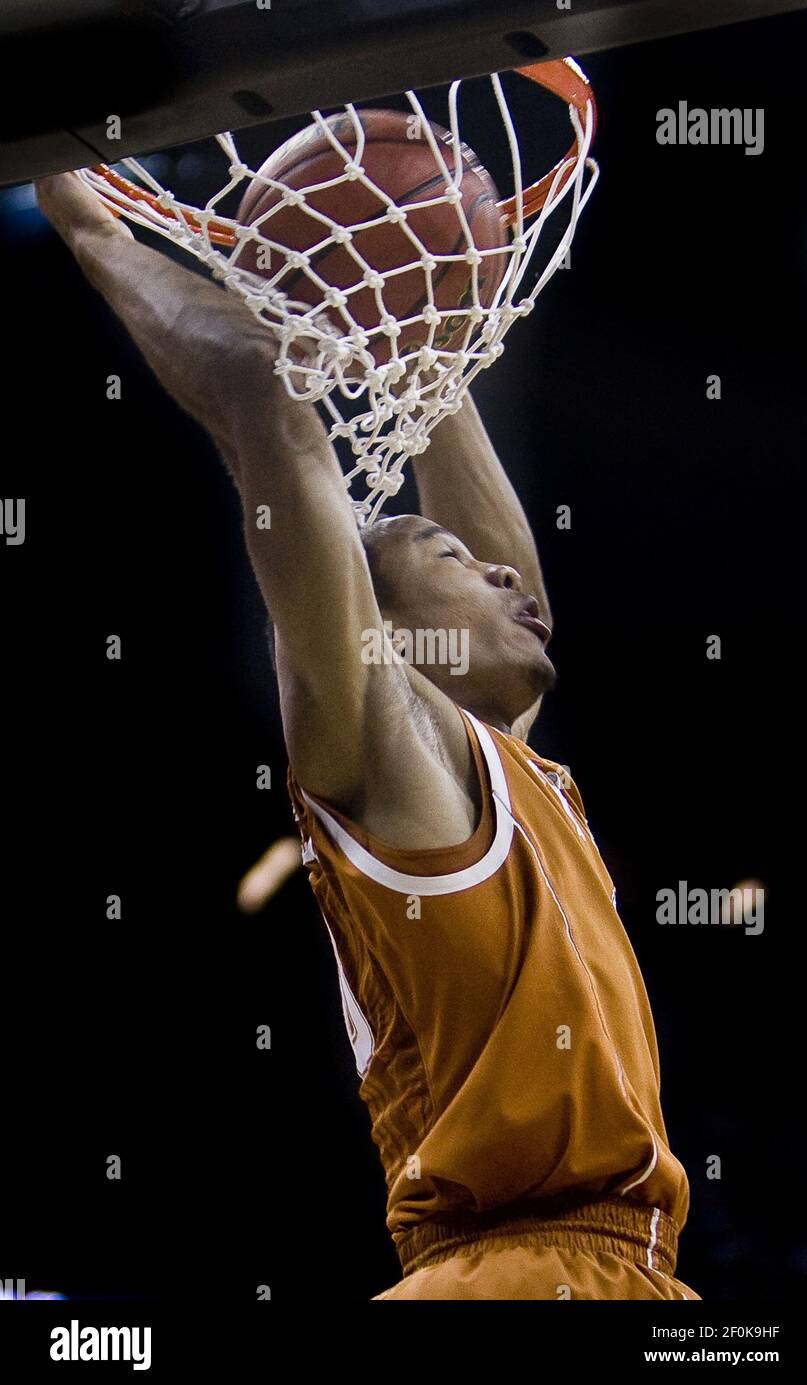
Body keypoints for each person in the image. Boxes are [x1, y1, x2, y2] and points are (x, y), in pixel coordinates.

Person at [36, 171, 700, 1300]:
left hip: (617, 1272)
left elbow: (517, 594)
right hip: (504, 1273)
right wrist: (83, 211)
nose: (499, 569)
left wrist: (427, 337)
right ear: (381, 635)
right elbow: (263, 407)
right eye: (451, 565)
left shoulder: (505, 760)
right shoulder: (393, 745)